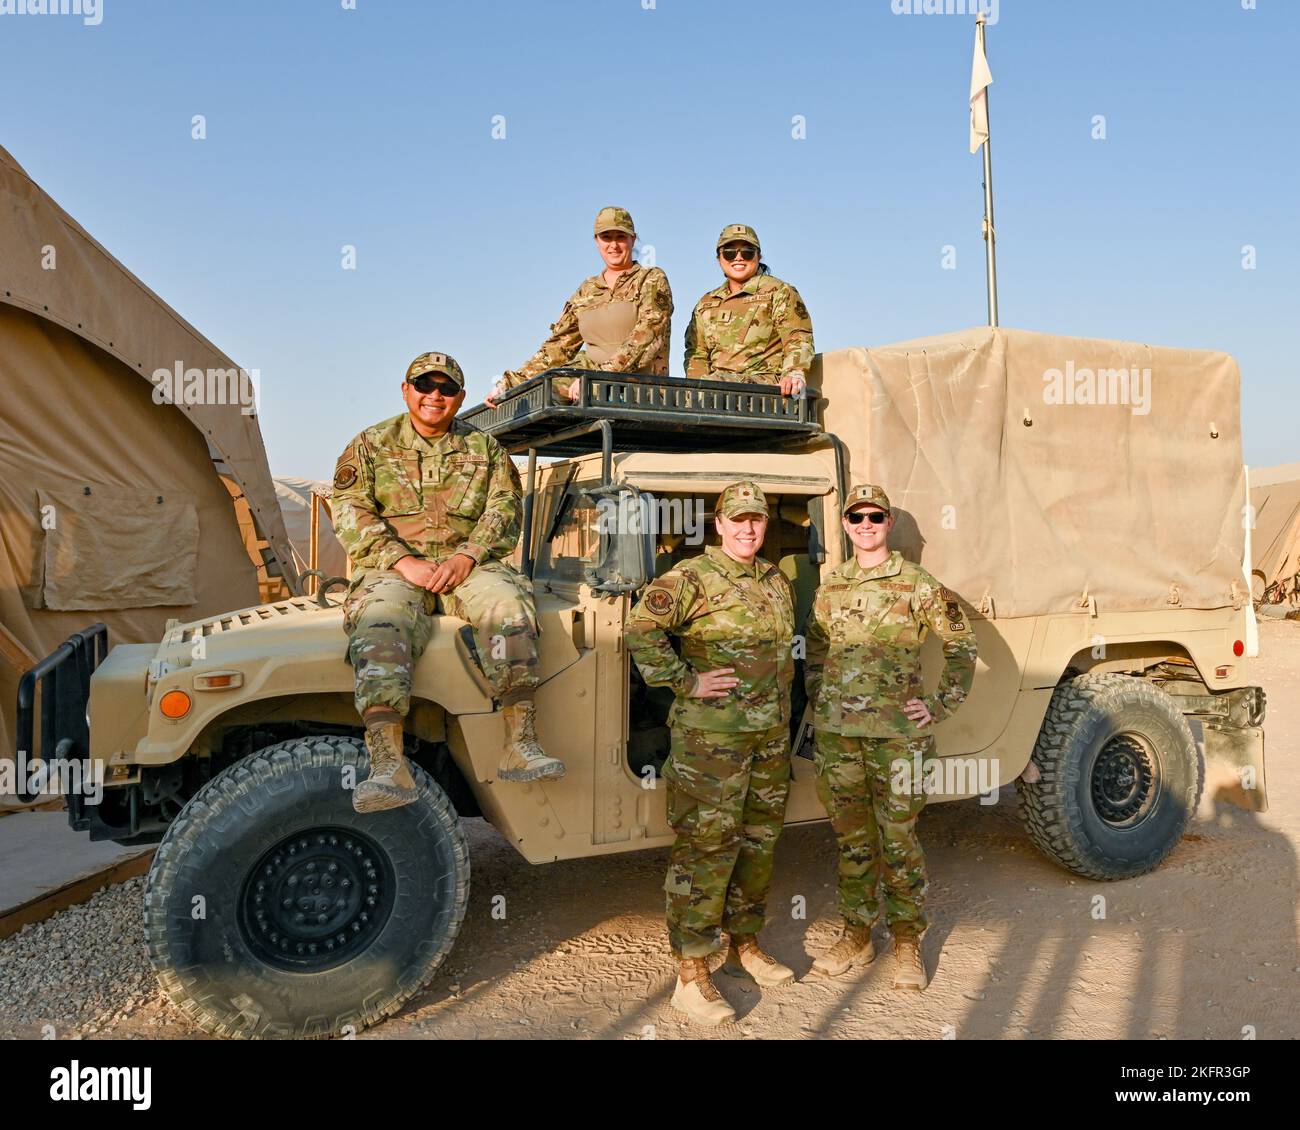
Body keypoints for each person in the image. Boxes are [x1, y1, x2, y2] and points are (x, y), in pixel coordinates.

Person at [332, 351, 564, 813]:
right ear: (406, 390)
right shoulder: (371, 444)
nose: (434, 396)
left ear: (459, 398)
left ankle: (520, 743)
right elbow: (350, 508)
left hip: (469, 567)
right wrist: (402, 561)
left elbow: (504, 509)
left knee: (510, 609)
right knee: (380, 621)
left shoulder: (485, 449)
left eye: (446, 389)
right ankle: (387, 764)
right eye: (425, 385)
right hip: (395, 568)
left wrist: (468, 555)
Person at [624, 481, 797, 1026]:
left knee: (760, 842)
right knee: (706, 849)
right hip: (711, 741)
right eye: (738, 519)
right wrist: (686, 681)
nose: (749, 529)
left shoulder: (774, 579)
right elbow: (640, 627)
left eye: (758, 520)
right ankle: (691, 972)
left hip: (767, 737)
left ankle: (745, 944)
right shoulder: (694, 577)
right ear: (718, 523)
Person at [804, 484, 977, 989]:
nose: (865, 525)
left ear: (888, 522)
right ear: (846, 524)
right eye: (856, 517)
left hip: (898, 738)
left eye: (875, 517)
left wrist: (939, 704)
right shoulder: (832, 585)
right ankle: (857, 935)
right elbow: (815, 647)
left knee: (898, 841)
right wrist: (821, 694)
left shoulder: (917, 583)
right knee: (852, 840)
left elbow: (962, 644)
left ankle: (906, 944)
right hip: (840, 739)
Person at [486, 206, 673, 406]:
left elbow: (647, 335)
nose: (614, 245)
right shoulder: (587, 290)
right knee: (538, 393)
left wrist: (598, 379)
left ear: (632, 240)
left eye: (621, 237)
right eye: (606, 237)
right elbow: (558, 347)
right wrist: (509, 383)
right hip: (588, 381)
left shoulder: (651, 279)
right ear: (597, 241)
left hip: (638, 388)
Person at [683, 223, 814, 397]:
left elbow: (798, 338)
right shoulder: (707, 303)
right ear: (719, 259)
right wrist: (697, 390)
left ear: (758, 256)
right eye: (729, 252)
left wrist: (794, 373)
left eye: (747, 252)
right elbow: (696, 353)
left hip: (763, 387)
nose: (738, 258)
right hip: (716, 389)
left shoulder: (779, 291)